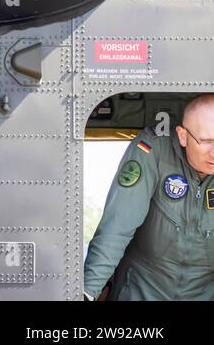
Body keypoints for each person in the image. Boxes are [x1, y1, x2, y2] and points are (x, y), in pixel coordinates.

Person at [84, 93, 214, 300]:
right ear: (182, 135)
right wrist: (87, 293)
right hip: (143, 286)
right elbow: (117, 228)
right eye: (206, 141)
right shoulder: (152, 149)